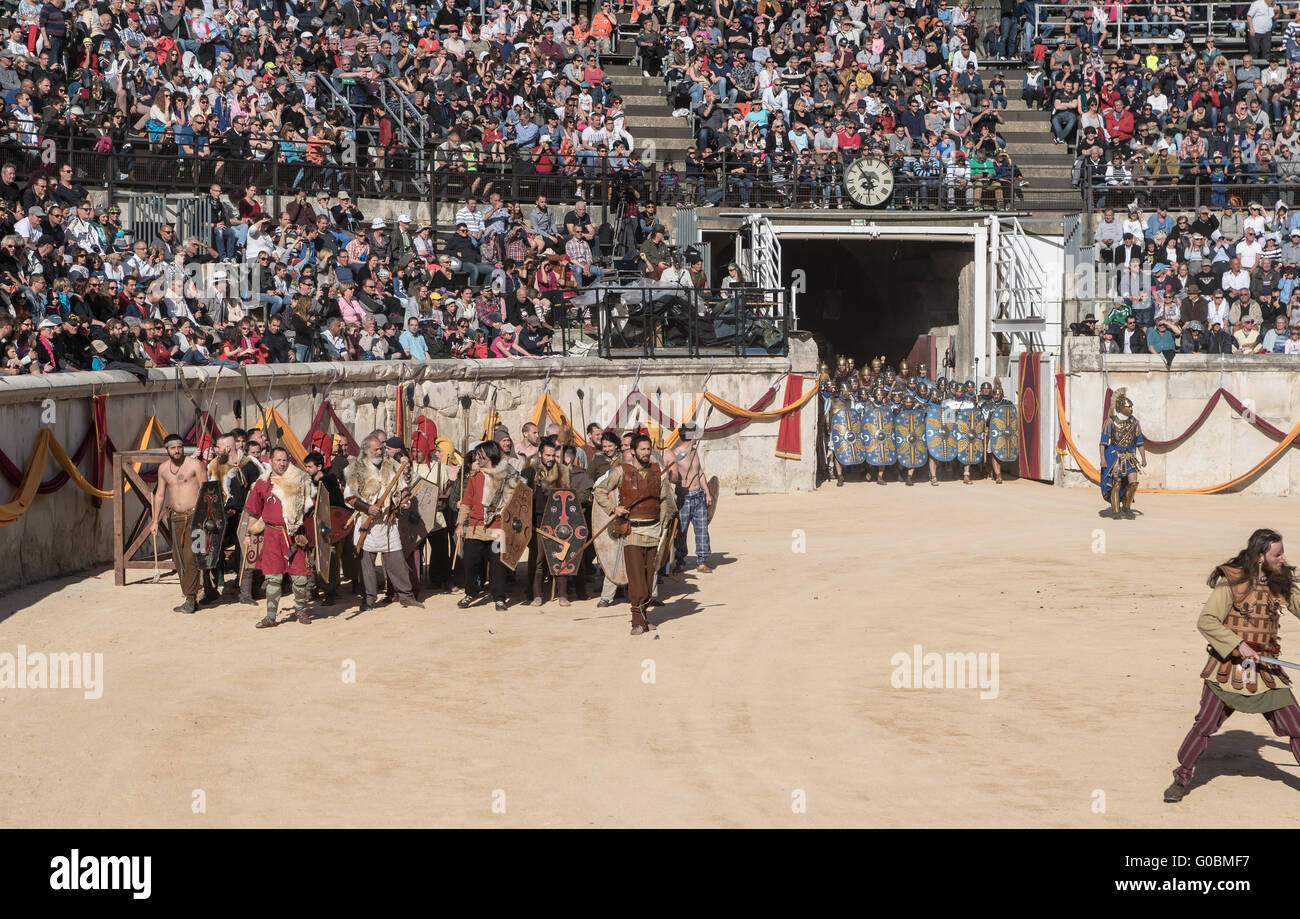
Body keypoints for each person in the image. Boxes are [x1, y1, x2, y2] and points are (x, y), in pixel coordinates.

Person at [1165, 528, 1300, 802]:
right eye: (1278, 554)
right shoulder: (1233, 580)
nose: (1283, 559)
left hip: (1266, 671)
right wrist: (1239, 645)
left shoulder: (1280, 581)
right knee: (1204, 724)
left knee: (1297, 726)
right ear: (1261, 556)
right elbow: (1207, 621)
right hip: (1227, 669)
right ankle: (1181, 778)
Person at [593, 433, 675, 635]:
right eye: (643, 450)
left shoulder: (659, 472)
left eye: (648, 449)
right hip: (632, 532)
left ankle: (644, 617)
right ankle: (637, 621)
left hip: (654, 531)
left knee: (648, 580)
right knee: (637, 579)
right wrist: (614, 509)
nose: (647, 453)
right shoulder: (621, 471)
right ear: (633, 452)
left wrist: (665, 523)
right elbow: (600, 491)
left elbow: (665, 500)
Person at [344, 435, 422, 612]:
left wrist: (403, 499)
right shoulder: (355, 469)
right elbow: (349, 497)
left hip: (388, 521)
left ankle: (405, 595)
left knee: (396, 560)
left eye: (381, 448)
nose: (380, 452)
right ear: (365, 451)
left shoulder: (391, 466)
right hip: (367, 522)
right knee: (366, 565)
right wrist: (367, 508)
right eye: (375, 450)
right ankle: (368, 599)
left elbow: (404, 489)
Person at [243, 446, 317, 629]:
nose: (282, 464)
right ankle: (271, 616)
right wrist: (248, 533)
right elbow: (254, 510)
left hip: (295, 534)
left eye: (285, 460)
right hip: (272, 535)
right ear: (270, 460)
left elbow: (313, 508)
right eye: (278, 460)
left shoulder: (300, 480)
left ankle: (300, 610)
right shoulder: (262, 483)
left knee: (300, 578)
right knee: (273, 578)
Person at [456, 439, 521, 611]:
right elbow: (467, 500)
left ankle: (499, 597)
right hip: (475, 528)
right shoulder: (475, 477)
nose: (477, 458)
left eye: (480, 454)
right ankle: (471, 592)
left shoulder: (507, 475)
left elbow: (517, 498)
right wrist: (460, 523)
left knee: (498, 565)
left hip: (497, 528)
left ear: (489, 455)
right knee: (470, 561)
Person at [149, 433, 206, 614]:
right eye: (173, 448)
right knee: (179, 558)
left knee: (193, 556)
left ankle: (191, 598)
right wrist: (155, 521)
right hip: (175, 519)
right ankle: (190, 596)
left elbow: (207, 490)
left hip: (195, 517)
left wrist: (207, 517)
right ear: (167, 450)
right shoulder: (163, 469)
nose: (177, 450)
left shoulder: (195, 465)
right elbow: (159, 495)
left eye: (179, 447)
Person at [521, 435, 571, 607]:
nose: (550, 459)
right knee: (538, 558)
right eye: (547, 455)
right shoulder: (529, 471)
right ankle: (536, 594)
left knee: (560, 557)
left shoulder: (562, 471)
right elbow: (520, 497)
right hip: (537, 519)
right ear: (540, 453)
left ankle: (562, 594)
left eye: (553, 455)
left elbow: (567, 496)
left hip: (558, 519)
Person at [668, 421, 713, 573]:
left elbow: (699, 473)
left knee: (702, 529)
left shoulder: (694, 452)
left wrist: (707, 492)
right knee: (681, 531)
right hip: (684, 497)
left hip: (698, 496)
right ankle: (680, 560)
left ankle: (702, 561)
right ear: (691, 436)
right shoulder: (675, 454)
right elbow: (672, 476)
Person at [1099, 388, 1147, 518]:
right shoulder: (1110, 422)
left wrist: (1143, 457)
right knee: (1117, 481)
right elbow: (1103, 442)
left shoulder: (1134, 422)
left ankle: (1126, 507)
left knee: (1133, 482)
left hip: (1130, 456)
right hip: (1114, 456)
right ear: (1121, 407)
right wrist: (1103, 458)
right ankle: (1116, 510)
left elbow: (1139, 442)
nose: (1131, 409)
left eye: (1131, 406)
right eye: (1129, 406)